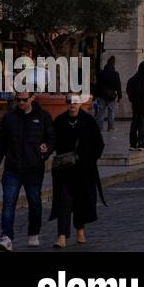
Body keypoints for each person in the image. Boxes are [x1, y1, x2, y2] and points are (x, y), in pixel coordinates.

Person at [0, 91, 54, 250]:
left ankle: (33, 233)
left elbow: (52, 138)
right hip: (12, 169)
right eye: (18, 99)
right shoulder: (9, 118)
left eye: (24, 99)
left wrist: (44, 154)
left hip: (34, 169)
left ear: (32, 98)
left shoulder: (43, 116)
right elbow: (0, 144)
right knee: (9, 202)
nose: (20, 102)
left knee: (35, 202)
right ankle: (6, 237)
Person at [50, 94, 104, 248]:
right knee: (63, 202)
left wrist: (89, 160)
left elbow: (99, 144)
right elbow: (52, 141)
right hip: (64, 170)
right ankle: (62, 236)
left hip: (83, 170)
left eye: (75, 102)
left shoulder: (88, 121)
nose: (72, 105)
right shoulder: (60, 121)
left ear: (80, 103)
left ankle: (80, 230)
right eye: (69, 102)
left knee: (81, 201)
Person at [125, 61, 144, 150]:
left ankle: (133, 143)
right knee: (142, 124)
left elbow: (128, 90)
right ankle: (141, 142)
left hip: (135, 105)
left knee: (134, 124)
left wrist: (132, 99)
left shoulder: (133, 79)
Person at [94, 56, 121, 135]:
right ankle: (110, 127)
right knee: (111, 112)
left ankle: (100, 127)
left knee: (101, 112)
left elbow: (98, 85)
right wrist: (119, 96)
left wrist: (96, 95)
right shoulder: (115, 74)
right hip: (111, 96)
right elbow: (118, 86)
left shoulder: (101, 73)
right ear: (113, 64)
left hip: (102, 95)